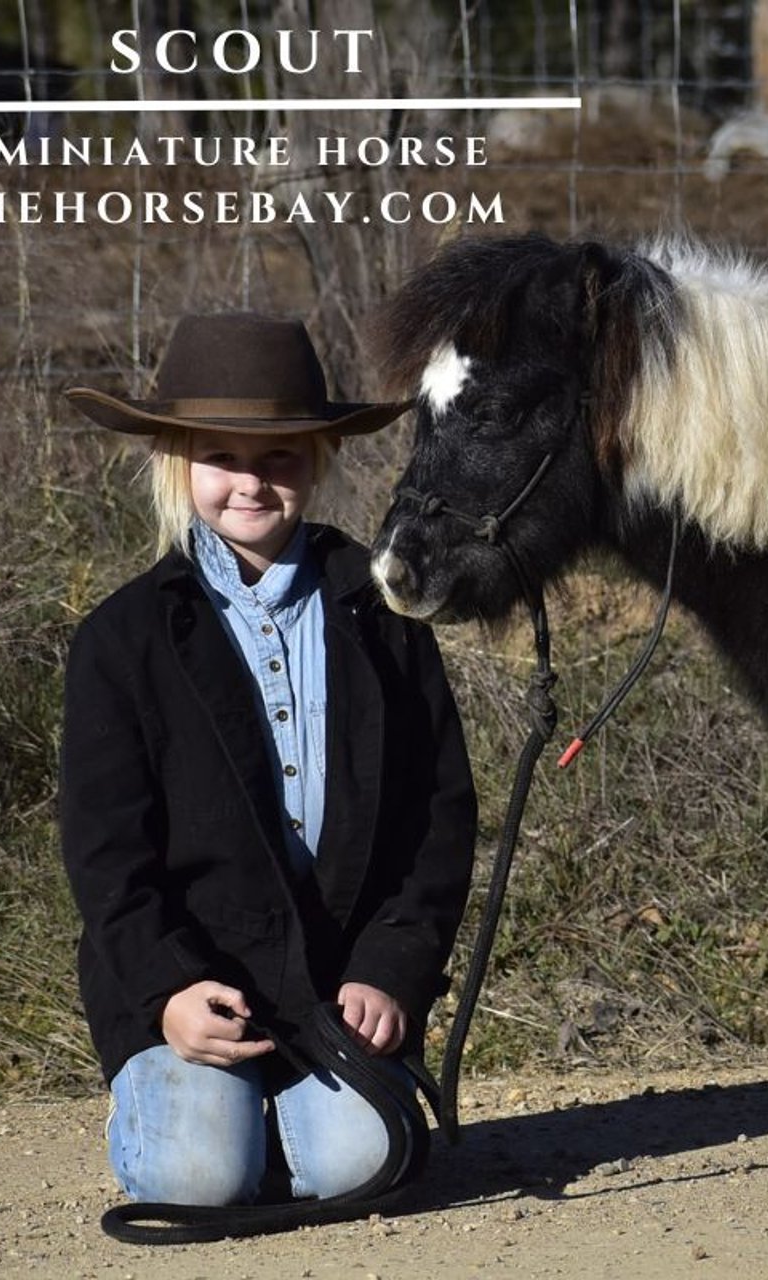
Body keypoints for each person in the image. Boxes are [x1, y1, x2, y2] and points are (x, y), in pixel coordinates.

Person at [59, 313, 476, 1206]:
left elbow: (437, 816)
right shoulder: (121, 641)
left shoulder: (385, 620)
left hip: (337, 993)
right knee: (194, 1178)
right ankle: (185, 1114)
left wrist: (392, 968)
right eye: (221, 457)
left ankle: (290, 1126)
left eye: (279, 457)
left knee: (363, 1164)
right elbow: (105, 858)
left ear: (319, 459)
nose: (251, 481)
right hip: (190, 990)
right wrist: (169, 990)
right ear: (178, 461)